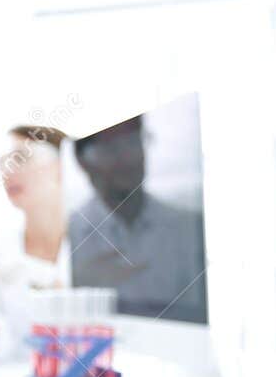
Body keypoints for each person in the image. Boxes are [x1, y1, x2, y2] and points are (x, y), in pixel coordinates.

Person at [68, 115, 208, 323]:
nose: (127, 157)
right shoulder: (68, 234)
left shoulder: (189, 228)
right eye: (112, 148)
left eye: (133, 141)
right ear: (83, 161)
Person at [0, 125, 72, 357]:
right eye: (4, 162)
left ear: (62, 167)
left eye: (21, 158)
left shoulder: (102, 243)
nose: (8, 171)